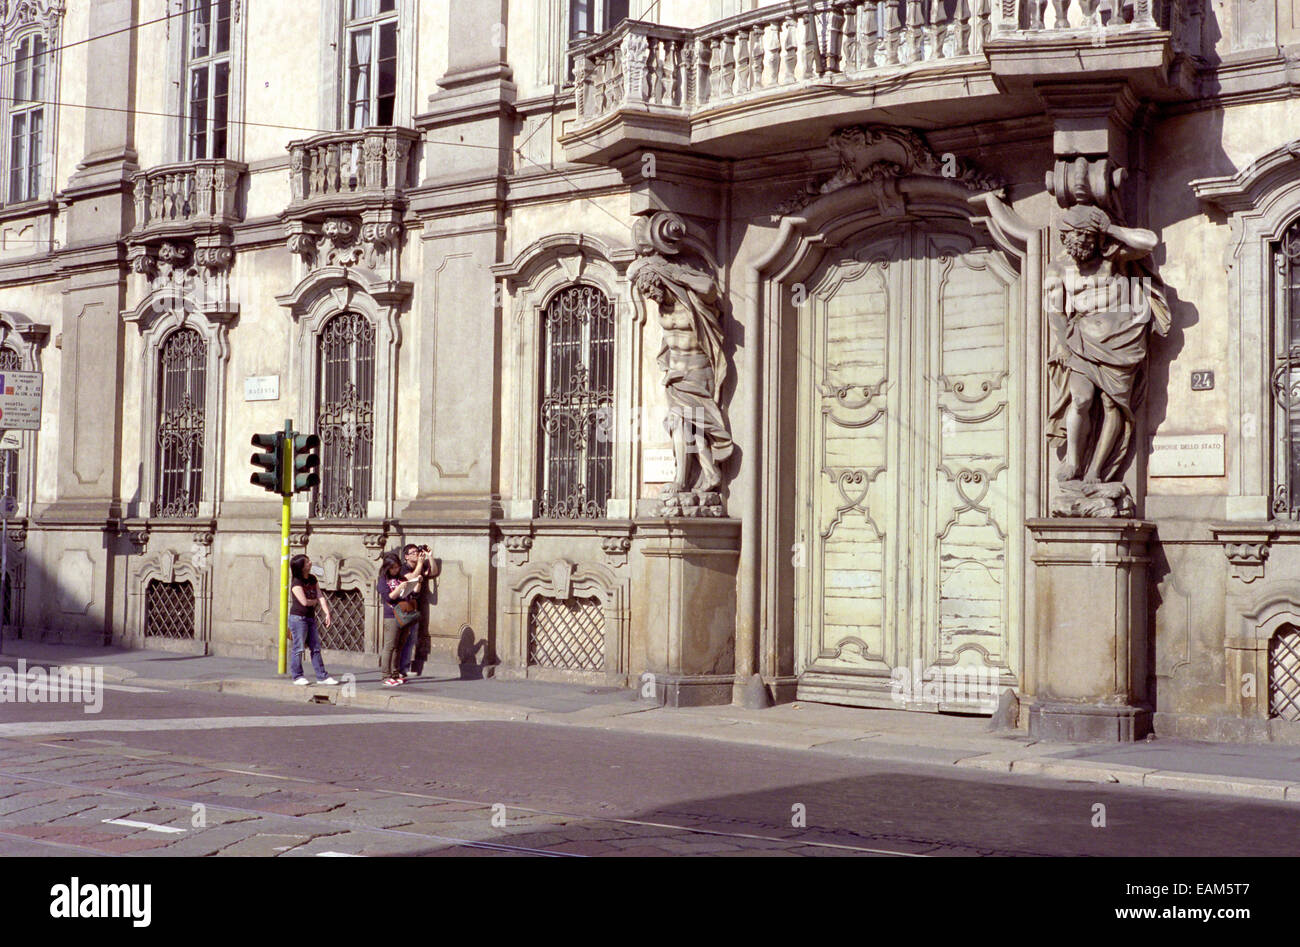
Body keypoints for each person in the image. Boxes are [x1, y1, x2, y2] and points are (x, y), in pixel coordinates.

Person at [288, 553, 338, 686]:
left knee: (315, 647)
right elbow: (304, 602)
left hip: (310, 618)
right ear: (301, 567)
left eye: (309, 561)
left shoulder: (312, 578)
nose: (310, 563)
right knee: (298, 648)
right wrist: (314, 601)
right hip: (298, 619)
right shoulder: (296, 582)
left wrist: (327, 612)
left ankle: (322, 676)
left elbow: (320, 595)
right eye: (307, 562)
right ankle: (297, 676)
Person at [397, 544, 438, 678]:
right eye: (413, 552)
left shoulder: (420, 565)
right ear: (406, 556)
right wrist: (420, 563)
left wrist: (430, 557)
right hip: (402, 607)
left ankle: (404, 667)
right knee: (401, 639)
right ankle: (396, 668)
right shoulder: (403, 568)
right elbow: (412, 577)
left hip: (414, 607)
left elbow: (433, 572)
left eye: (417, 551)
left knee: (411, 638)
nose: (416, 554)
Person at [377, 551, 410, 686]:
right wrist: (399, 588)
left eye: (398, 567)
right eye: (393, 568)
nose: (396, 570)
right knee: (389, 646)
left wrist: (414, 585)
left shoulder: (401, 578)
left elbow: (410, 594)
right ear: (387, 567)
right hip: (391, 616)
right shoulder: (382, 581)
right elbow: (389, 597)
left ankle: (395, 674)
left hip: (405, 614)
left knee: (399, 646)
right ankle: (385, 675)